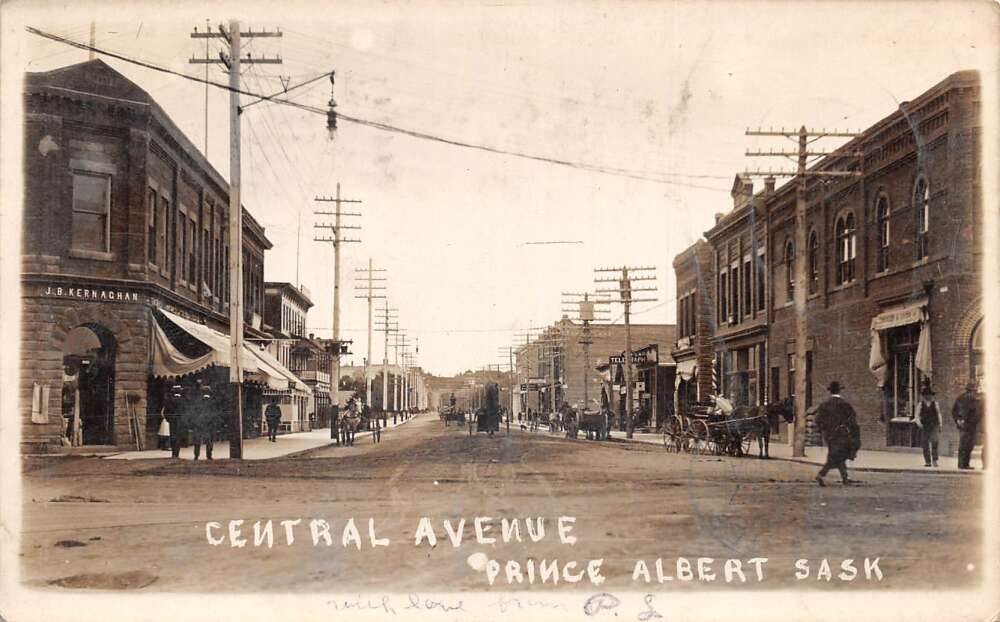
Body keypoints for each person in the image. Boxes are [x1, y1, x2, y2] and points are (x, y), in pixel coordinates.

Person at [814, 381, 862, 486]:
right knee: (838, 456)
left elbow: (818, 421)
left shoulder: (824, 405)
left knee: (838, 455)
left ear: (830, 391)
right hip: (842, 434)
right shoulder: (845, 404)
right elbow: (852, 420)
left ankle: (845, 478)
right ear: (840, 390)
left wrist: (824, 431)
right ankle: (821, 474)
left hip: (829, 436)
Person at [952, 380, 983, 470]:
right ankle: (961, 464)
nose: (972, 392)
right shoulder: (961, 398)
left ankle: (966, 464)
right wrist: (958, 420)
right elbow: (954, 411)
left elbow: (979, 412)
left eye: (973, 390)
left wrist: (976, 421)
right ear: (968, 390)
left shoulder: (975, 400)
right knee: (964, 444)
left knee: (970, 445)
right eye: (971, 390)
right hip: (964, 425)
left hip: (972, 426)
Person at [915, 381, 942, 467]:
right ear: (924, 396)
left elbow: (938, 414)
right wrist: (919, 424)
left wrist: (940, 424)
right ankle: (928, 461)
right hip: (925, 426)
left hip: (934, 425)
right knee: (925, 443)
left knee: (935, 441)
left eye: (930, 395)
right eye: (927, 395)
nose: (929, 396)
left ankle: (934, 459)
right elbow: (917, 416)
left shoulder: (935, 404)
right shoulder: (920, 405)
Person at [191, 381, 216, 460]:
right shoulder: (213, 402)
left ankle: (196, 455)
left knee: (197, 440)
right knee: (209, 440)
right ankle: (209, 455)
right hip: (209, 424)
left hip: (198, 424)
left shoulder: (197, 402)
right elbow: (215, 414)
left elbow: (193, 413)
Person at [164, 384, 188, 459]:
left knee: (172, 436)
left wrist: (169, 419)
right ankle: (177, 453)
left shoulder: (169, 400)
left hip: (172, 421)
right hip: (180, 421)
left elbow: (165, 412)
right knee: (178, 437)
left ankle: (173, 453)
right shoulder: (183, 400)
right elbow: (186, 411)